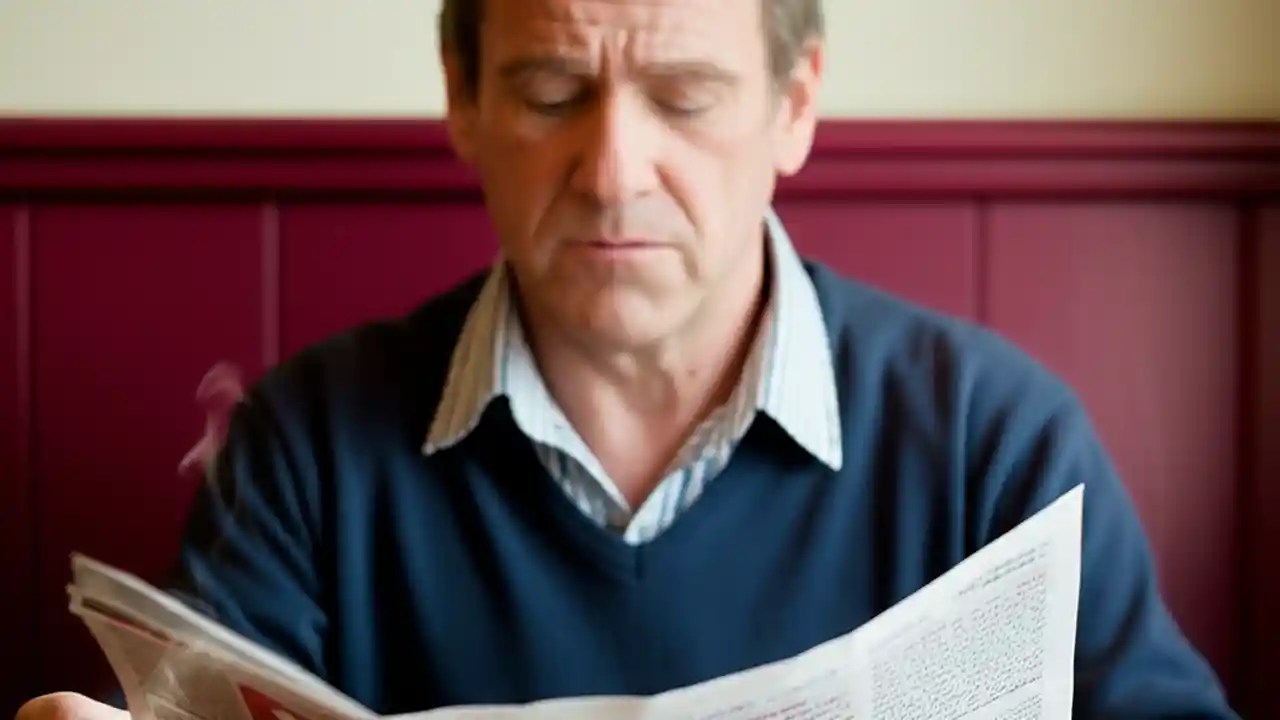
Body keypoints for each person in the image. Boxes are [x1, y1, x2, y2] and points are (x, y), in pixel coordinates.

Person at [16, 0, 1238, 718]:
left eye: (685, 96)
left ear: (795, 104)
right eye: (552, 92)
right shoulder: (307, 446)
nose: (611, 171)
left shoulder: (992, 440)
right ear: (462, 97)